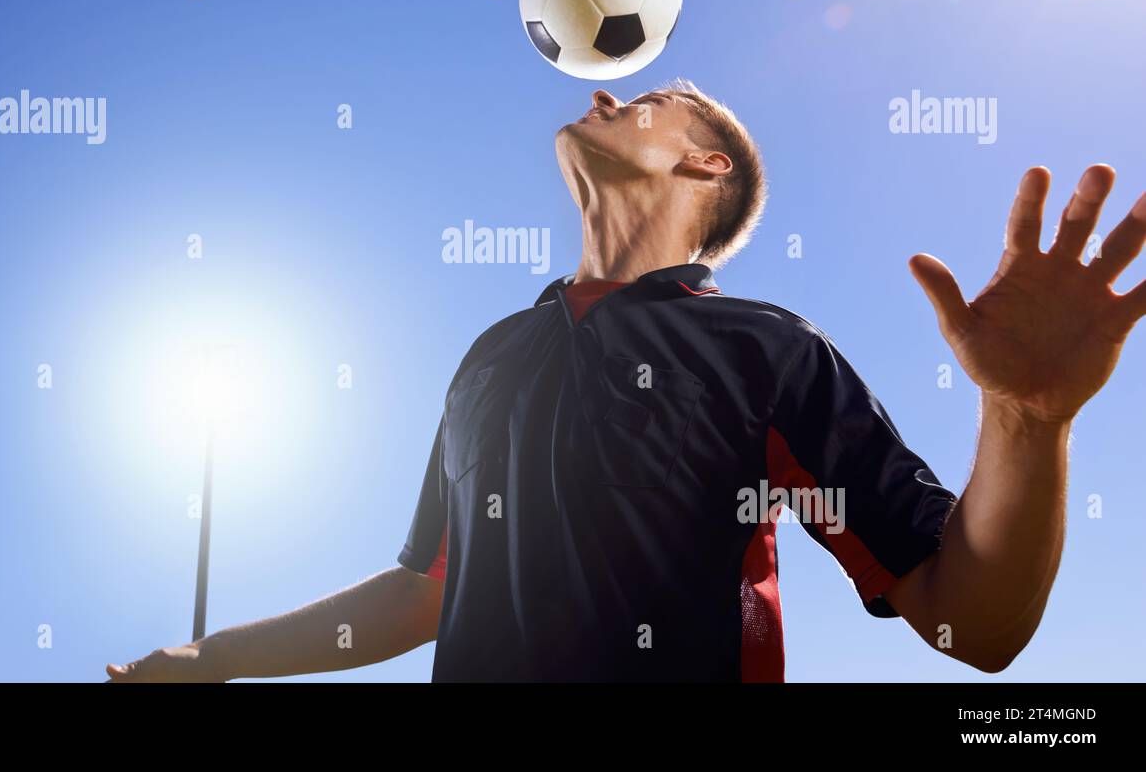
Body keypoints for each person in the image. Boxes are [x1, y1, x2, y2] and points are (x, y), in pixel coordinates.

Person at [107, 79, 1146, 681]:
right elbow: (420, 591)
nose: (603, 92)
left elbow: (971, 623)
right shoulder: (488, 358)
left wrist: (1022, 421)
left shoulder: (768, 350)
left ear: (705, 170)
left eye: (649, 101)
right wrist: (214, 660)